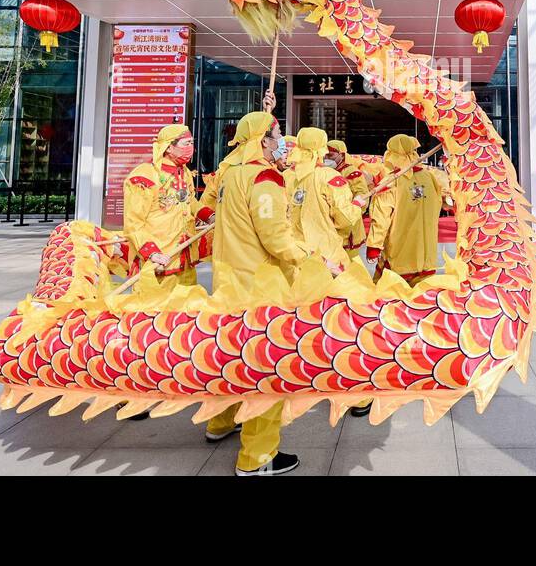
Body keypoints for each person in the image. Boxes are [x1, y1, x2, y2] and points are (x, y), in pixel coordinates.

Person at [205, 109, 310, 476]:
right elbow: (275, 237)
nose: (282, 139)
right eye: (277, 133)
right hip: (260, 286)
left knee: (230, 359)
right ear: (263, 140)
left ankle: (220, 422)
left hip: (230, 282)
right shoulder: (264, 178)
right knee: (266, 370)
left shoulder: (230, 173)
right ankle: (258, 457)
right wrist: (309, 258)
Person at [123, 124, 206, 287]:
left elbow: (190, 202)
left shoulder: (184, 172)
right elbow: (133, 223)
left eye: (192, 143)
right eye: (186, 144)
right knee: (155, 311)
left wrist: (209, 215)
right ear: (169, 148)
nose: (191, 148)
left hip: (185, 261)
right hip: (157, 265)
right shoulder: (144, 176)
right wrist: (151, 252)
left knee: (186, 310)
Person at [365, 134, 450, 282]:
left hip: (399, 253)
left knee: (391, 298)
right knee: (420, 300)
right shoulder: (430, 177)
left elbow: (380, 218)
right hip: (426, 255)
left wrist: (374, 246)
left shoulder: (391, 182)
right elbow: (443, 204)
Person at [286, 127, 363, 269]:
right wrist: (357, 205)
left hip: (294, 252)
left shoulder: (286, 176)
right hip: (326, 254)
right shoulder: (328, 175)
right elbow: (344, 217)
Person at [325, 138, 372, 252]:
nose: (326, 159)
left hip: (349, 228)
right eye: (325, 156)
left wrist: (352, 211)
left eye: (330, 156)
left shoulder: (351, 172)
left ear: (341, 155)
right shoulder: (324, 171)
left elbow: (362, 195)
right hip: (330, 226)